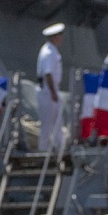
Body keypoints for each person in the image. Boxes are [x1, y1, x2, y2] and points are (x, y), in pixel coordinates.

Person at [36, 21, 69, 155]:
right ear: (55, 37)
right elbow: (48, 74)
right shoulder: (49, 52)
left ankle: (60, 149)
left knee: (57, 122)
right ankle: (43, 151)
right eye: (59, 36)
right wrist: (53, 93)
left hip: (50, 90)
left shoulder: (50, 50)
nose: (61, 38)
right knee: (47, 123)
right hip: (48, 91)